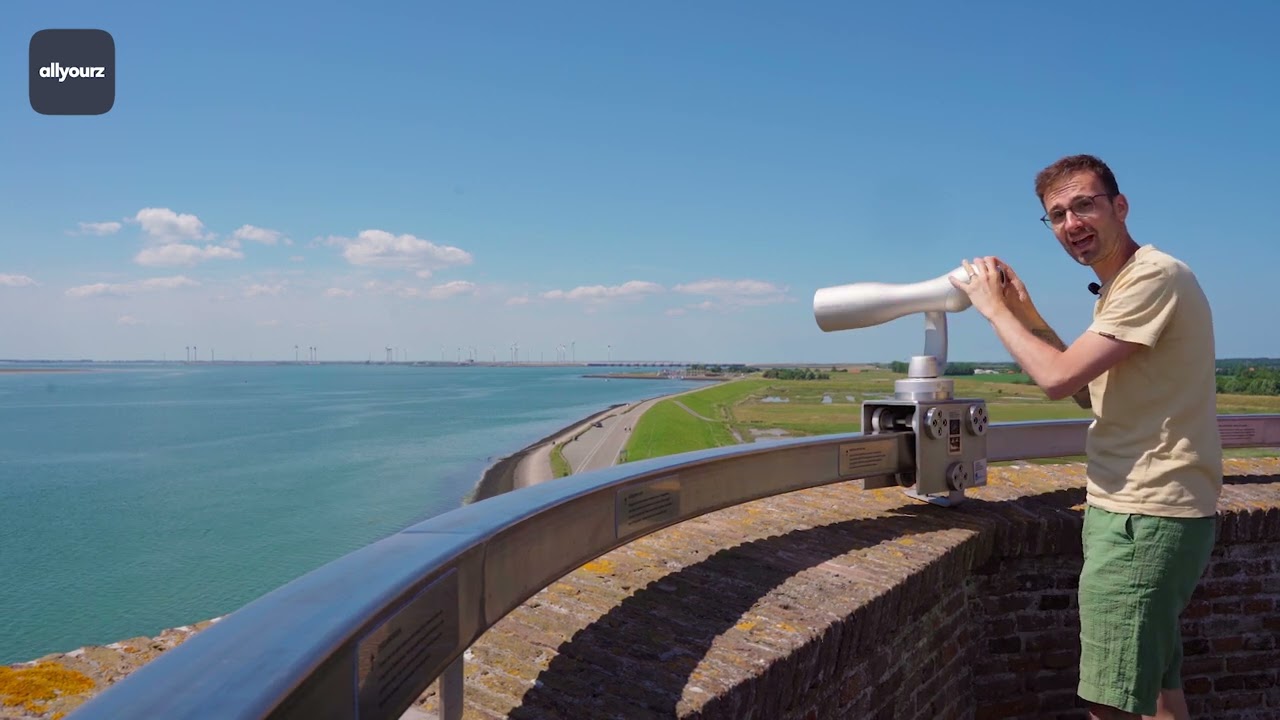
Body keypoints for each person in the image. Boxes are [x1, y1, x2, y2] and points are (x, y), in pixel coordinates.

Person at [948, 154, 1222, 720]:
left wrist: (993, 310)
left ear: (1120, 207)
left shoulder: (1154, 275)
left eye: (1084, 205)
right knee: (1157, 693)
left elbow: (1056, 379)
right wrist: (1025, 313)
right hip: (1150, 511)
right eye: (1056, 215)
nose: (1071, 222)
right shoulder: (1121, 286)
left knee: (1111, 702)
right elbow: (1085, 389)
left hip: (1143, 515)